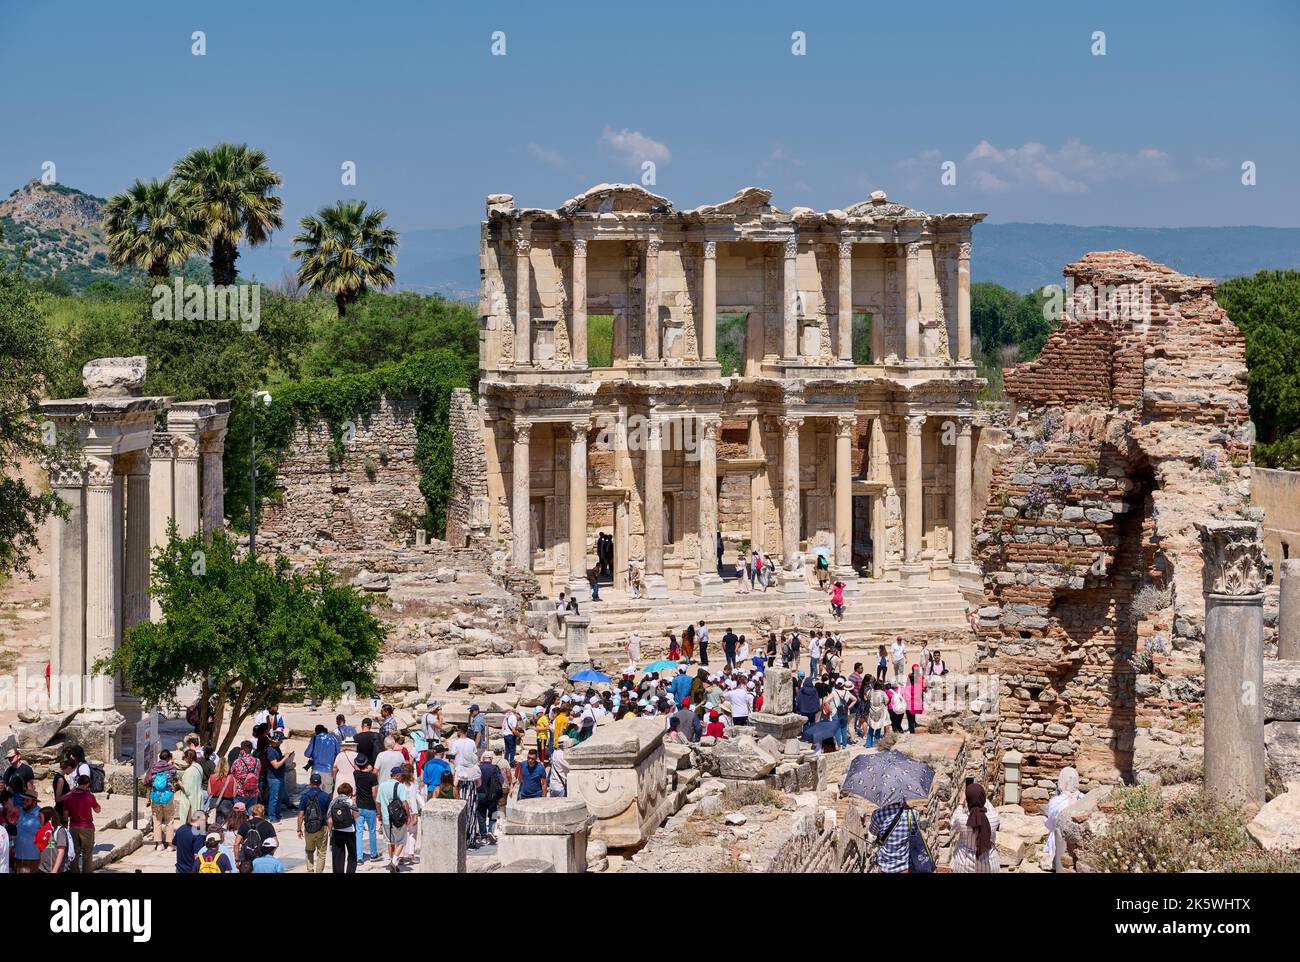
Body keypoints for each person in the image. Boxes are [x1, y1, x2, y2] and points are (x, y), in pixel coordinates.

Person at [950, 782, 1000, 873]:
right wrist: (983, 795)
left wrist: (961, 802)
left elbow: (952, 823)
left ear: (968, 800)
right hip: (989, 863)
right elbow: (991, 808)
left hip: (964, 864)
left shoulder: (962, 820)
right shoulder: (994, 818)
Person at [1043, 766, 1083, 871]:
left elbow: (1050, 824)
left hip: (1059, 842)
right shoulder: (1083, 798)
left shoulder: (1056, 801)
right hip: (1079, 842)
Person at [450, 725, 482, 847]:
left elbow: (453, 756)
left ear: (459, 731)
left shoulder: (456, 743)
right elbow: (479, 783)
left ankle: (462, 838)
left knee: (462, 812)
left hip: (461, 778)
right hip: (472, 786)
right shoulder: (472, 743)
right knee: (472, 812)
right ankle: (472, 838)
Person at [868, 798, 918, 874]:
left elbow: (873, 832)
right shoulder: (913, 814)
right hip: (905, 866)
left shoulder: (878, 814)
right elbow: (914, 835)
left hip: (885, 867)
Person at [376, 766, 410, 873]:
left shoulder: (382, 785)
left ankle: (392, 862)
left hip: (386, 819)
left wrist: (379, 814)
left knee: (390, 842)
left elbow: (378, 802)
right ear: (397, 775)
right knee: (401, 841)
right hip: (398, 820)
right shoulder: (400, 786)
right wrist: (408, 816)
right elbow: (404, 803)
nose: (403, 777)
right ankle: (394, 861)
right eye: (402, 775)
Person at [297, 772, 332, 874]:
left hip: (309, 827)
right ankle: (319, 871)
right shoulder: (325, 796)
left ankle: (310, 870)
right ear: (320, 783)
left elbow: (300, 815)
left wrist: (299, 829)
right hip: (322, 827)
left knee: (309, 851)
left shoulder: (304, 796)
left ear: (310, 782)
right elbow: (329, 814)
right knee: (321, 853)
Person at [145, 749, 178, 852]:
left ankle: (159, 844)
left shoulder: (153, 768)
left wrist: (148, 798)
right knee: (169, 820)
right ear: (168, 758)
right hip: (168, 797)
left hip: (156, 798)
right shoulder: (171, 768)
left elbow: (148, 782)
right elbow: (175, 780)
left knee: (157, 820)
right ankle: (170, 845)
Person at [352, 755, 381, 863]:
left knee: (359, 832)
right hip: (370, 806)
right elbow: (374, 794)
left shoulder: (356, 774)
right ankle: (373, 854)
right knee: (372, 831)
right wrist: (378, 808)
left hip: (359, 806)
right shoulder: (372, 777)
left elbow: (356, 766)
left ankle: (359, 857)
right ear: (367, 764)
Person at [327, 784, 358, 874]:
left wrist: (330, 832)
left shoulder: (333, 802)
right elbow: (356, 816)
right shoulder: (350, 802)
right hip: (349, 831)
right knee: (352, 855)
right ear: (349, 792)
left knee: (338, 857)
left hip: (336, 831)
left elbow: (329, 820)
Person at [476, 752, 505, 841]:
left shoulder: (478, 768)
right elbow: (501, 780)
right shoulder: (495, 768)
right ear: (491, 759)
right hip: (492, 795)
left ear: (483, 758)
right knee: (493, 813)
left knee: (481, 814)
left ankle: (483, 835)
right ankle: (490, 832)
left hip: (480, 794)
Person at [263, 732, 291, 821]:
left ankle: (277, 814)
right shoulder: (270, 751)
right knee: (274, 798)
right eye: (280, 741)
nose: (281, 742)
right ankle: (272, 816)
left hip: (279, 776)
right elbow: (276, 765)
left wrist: (283, 757)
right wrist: (285, 758)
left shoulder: (276, 748)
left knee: (279, 797)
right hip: (274, 778)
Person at [305, 724, 341, 793]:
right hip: (329, 772)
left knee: (314, 794)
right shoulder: (333, 739)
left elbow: (307, 754)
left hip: (316, 771)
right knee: (328, 792)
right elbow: (338, 753)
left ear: (317, 731)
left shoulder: (315, 738)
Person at [230, 740, 261, 812]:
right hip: (254, 791)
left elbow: (232, 773)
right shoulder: (257, 761)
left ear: (242, 750)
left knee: (239, 816)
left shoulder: (237, 762)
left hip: (241, 792)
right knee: (252, 814)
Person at [830, 678, 857, 749]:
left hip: (836, 712)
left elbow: (826, 701)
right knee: (844, 729)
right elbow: (855, 700)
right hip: (845, 712)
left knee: (837, 730)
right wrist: (848, 707)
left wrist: (829, 709)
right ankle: (844, 745)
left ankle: (838, 745)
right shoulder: (847, 692)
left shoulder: (834, 692)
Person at [866, 681, 888, 748]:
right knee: (878, 727)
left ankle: (868, 744)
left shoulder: (870, 692)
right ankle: (876, 743)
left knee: (871, 727)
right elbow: (886, 701)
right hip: (880, 711)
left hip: (871, 711)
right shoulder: (882, 693)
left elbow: (868, 699)